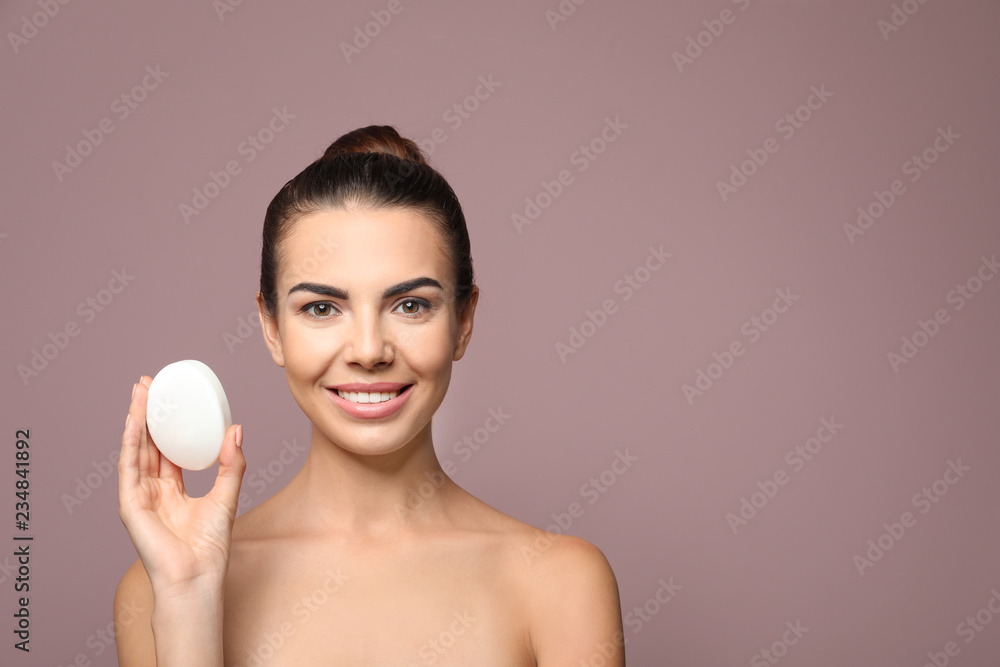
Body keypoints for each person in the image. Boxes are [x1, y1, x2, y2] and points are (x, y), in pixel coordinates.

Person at [114, 125, 626, 666]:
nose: (368, 350)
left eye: (410, 306)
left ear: (464, 321)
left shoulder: (560, 582)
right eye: (321, 308)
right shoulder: (160, 585)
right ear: (270, 328)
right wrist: (188, 595)